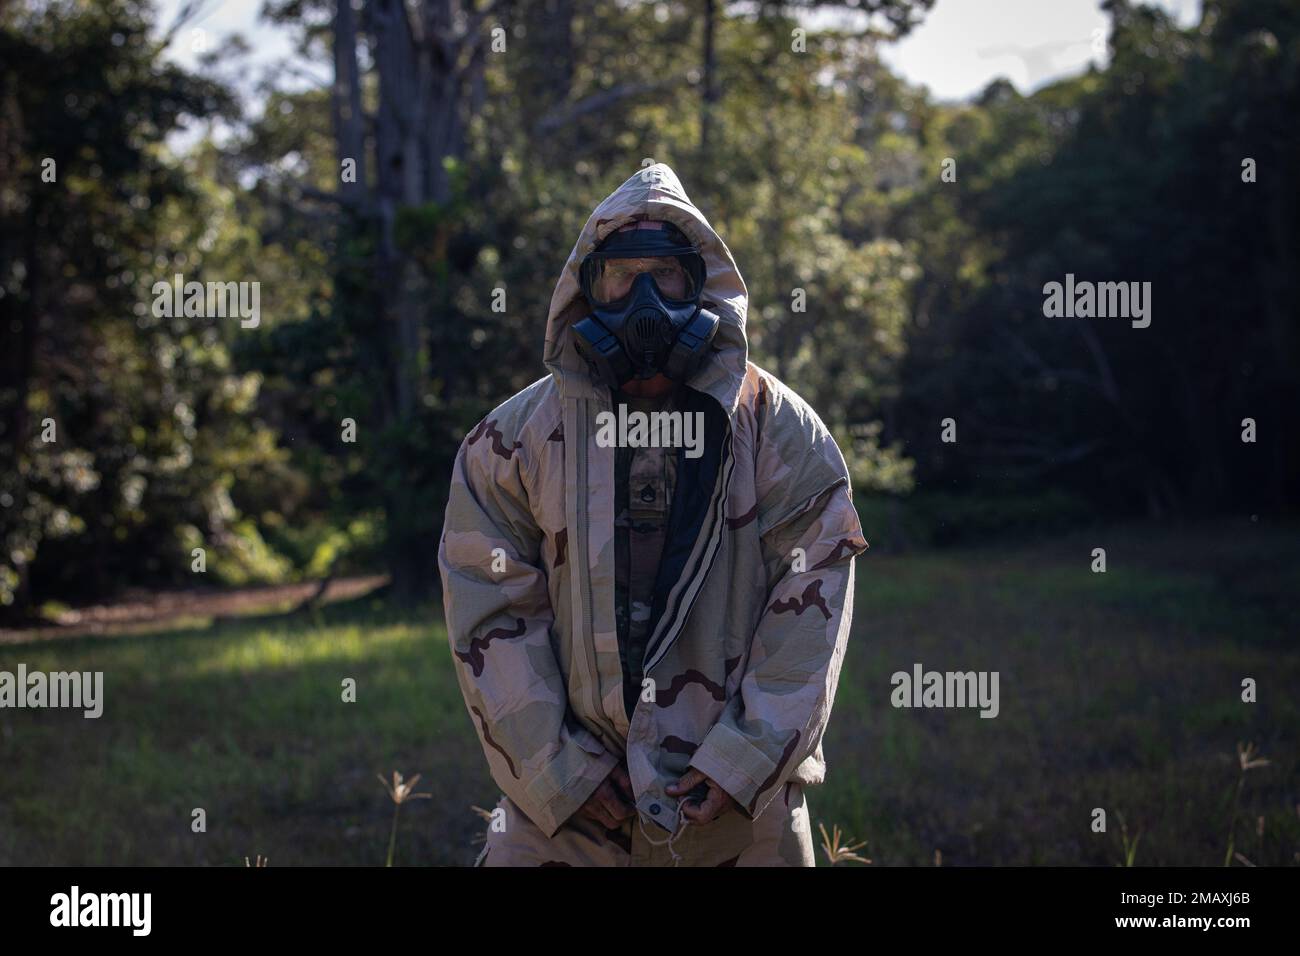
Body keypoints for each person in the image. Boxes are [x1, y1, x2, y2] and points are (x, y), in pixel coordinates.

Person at [438, 162, 868, 866]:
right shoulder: (510, 443)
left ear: (701, 284)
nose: (644, 298)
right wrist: (563, 774)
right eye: (621, 275)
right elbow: (490, 611)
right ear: (588, 286)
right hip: (563, 822)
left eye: (665, 275)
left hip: (737, 812)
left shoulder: (783, 432)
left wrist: (740, 765)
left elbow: (809, 607)